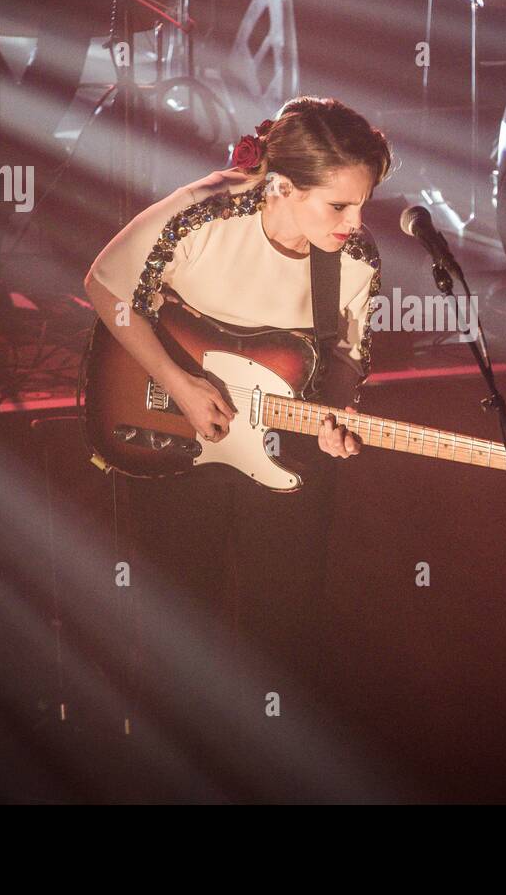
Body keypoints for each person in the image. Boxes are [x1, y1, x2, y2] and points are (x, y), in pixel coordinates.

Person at [82, 96, 392, 802]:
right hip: (168, 429)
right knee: (176, 631)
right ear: (282, 188)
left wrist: (336, 415)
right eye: (339, 207)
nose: (356, 225)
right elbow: (106, 284)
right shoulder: (206, 213)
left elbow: (345, 356)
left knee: (284, 635)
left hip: (281, 451)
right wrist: (182, 384)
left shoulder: (354, 260)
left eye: (363, 206)